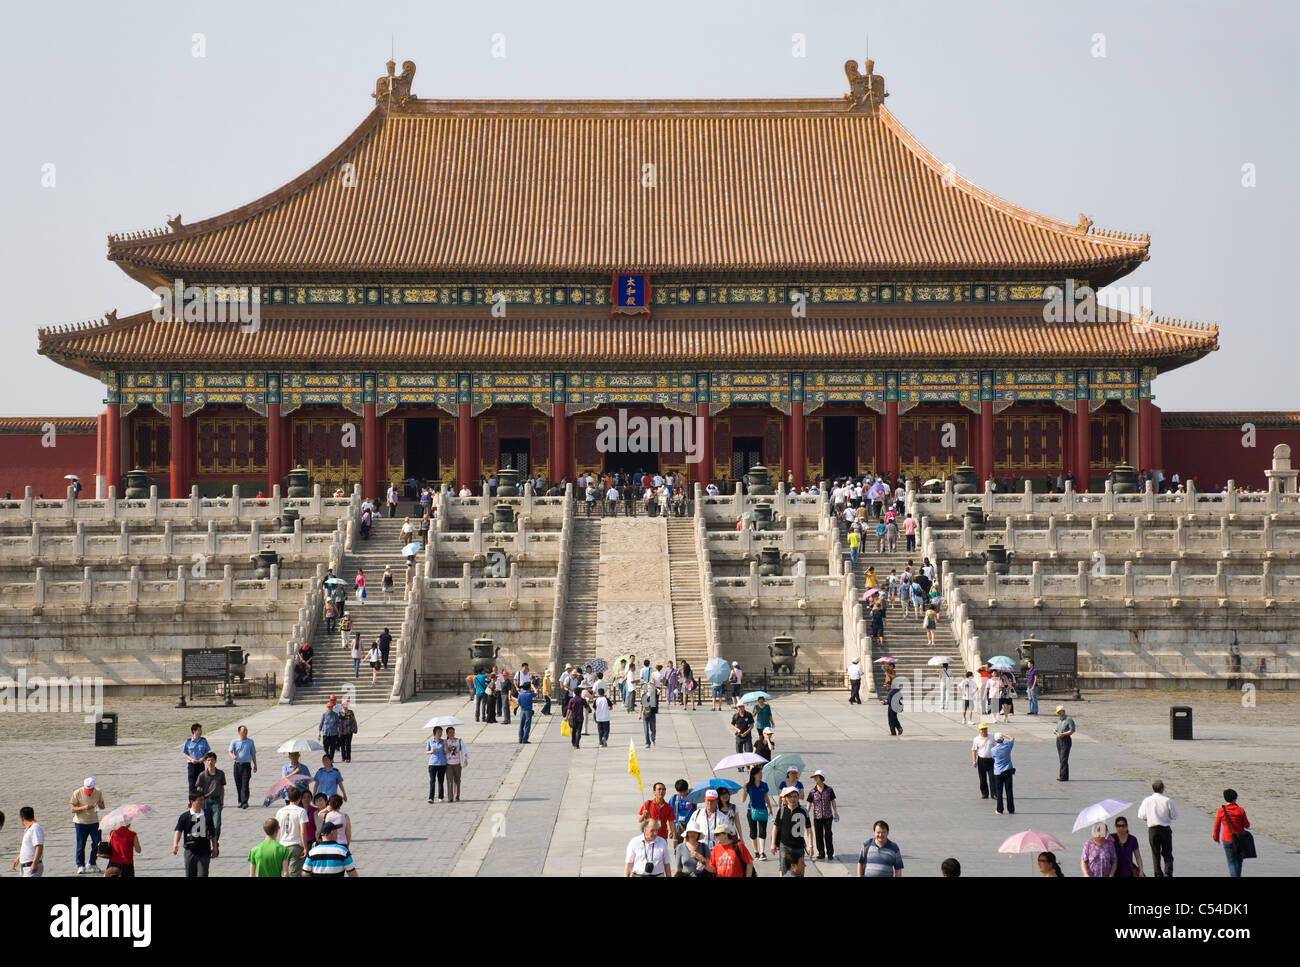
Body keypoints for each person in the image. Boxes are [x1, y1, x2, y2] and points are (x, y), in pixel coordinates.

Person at [1137, 779, 1177, 877]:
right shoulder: (1167, 800)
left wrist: (1148, 818)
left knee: (1155, 854)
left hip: (1153, 829)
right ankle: (1168, 873)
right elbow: (1174, 816)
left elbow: (1141, 815)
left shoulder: (1147, 800)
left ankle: (1158, 874)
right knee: (1167, 853)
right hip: (1165, 829)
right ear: (1162, 789)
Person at [172, 792, 216, 877]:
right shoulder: (185, 816)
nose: (202, 802)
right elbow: (178, 830)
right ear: (192, 801)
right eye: (199, 800)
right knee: (190, 874)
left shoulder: (207, 814)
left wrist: (214, 847)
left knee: (203, 874)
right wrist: (175, 844)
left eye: (203, 800)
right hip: (190, 851)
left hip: (204, 851)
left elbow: (212, 831)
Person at [770, 785, 811, 875]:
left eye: (795, 796)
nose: (792, 799)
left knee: (800, 871)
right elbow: (775, 827)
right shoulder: (782, 810)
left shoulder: (803, 811)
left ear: (798, 797)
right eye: (790, 797)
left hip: (799, 847)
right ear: (786, 798)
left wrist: (810, 845)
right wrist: (773, 844)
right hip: (785, 846)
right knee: (784, 870)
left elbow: (808, 828)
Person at [193, 752, 227, 857]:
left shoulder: (220, 773)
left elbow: (222, 788)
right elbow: (198, 789)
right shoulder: (202, 775)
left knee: (217, 825)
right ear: (205, 762)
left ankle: (215, 843)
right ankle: (206, 846)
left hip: (216, 801)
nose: (210, 762)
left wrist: (222, 801)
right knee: (204, 825)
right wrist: (197, 803)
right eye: (208, 760)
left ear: (215, 761)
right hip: (205, 802)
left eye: (212, 760)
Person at [70, 776, 106, 874]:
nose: (89, 792)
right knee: (81, 845)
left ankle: (92, 862)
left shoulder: (98, 792)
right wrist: (84, 807)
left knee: (97, 843)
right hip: (80, 822)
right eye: (87, 789)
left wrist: (99, 804)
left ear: (94, 788)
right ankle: (80, 865)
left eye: (90, 790)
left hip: (94, 822)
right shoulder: (77, 792)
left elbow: (103, 806)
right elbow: (72, 809)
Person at [1213, 788, 1251, 878]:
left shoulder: (1221, 810)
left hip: (1227, 839)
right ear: (1235, 798)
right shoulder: (1240, 810)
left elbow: (1217, 826)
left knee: (1231, 862)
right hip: (1240, 838)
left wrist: (1216, 838)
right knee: (1239, 862)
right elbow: (1247, 825)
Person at [275, 787, 309, 877]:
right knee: (294, 873)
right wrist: (305, 847)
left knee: (284, 873)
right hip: (295, 846)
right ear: (300, 798)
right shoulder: (301, 811)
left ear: (288, 797)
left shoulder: (280, 811)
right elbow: (303, 831)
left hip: (282, 845)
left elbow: (276, 829)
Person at [807, 770, 840, 861]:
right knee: (818, 835)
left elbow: (833, 801)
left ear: (821, 778)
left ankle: (830, 853)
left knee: (828, 834)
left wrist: (836, 812)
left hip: (828, 816)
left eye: (816, 777)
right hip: (817, 817)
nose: (815, 779)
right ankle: (821, 853)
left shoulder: (829, 790)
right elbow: (809, 803)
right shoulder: (812, 791)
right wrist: (806, 813)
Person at [743, 766, 772, 861]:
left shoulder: (764, 785)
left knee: (763, 831)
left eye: (761, 773)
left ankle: (762, 852)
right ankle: (756, 851)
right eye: (759, 773)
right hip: (751, 810)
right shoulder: (748, 786)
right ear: (753, 775)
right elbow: (742, 800)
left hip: (763, 810)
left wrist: (770, 808)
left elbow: (766, 797)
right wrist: (744, 790)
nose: (760, 775)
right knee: (753, 831)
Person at [227, 725, 258, 809]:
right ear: (239, 732)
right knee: (238, 784)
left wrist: (255, 765)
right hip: (237, 765)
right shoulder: (234, 741)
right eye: (243, 730)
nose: (245, 732)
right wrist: (232, 756)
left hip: (246, 766)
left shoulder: (250, 742)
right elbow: (229, 751)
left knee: (245, 784)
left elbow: (253, 754)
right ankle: (240, 801)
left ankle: (245, 801)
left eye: (246, 730)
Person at [11, 806, 44, 877]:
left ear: (22, 818)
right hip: (26, 866)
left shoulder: (35, 828)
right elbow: (28, 847)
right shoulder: (29, 829)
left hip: (31, 866)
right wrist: (19, 858)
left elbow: (39, 846)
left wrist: (34, 863)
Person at [183, 723, 210, 799]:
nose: (201, 731)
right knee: (192, 783)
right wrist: (191, 759)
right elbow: (185, 753)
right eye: (199, 730)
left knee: (201, 783)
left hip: (200, 764)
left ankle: (201, 799)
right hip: (192, 765)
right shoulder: (188, 742)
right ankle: (192, 800)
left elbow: (207, 751)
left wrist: (203, 758)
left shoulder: (203, 741)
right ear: (194, 731)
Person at [990, 732, 1015, 815]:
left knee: (999, 792)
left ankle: (1000, 809)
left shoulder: (993, 749)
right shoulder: (1007, 746)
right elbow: (1012, 738)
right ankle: (1011, 809)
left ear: (995, 741)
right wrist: (1004, 734)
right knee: (1009, 791)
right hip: (1007, 771)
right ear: (1002, 739)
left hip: (998, 772)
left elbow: (993, 758)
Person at [971, 723, 995, 800]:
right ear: (979, 730)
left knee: (992, 778)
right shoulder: (976, 739)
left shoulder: (992, 737)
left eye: (985, 729)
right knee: (982, 778)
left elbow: (997, 748)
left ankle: (994, 794)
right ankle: (984, 793)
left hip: (991, 760)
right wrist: (974, 761)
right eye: (982, 729)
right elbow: (974, 750)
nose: (983, 731)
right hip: (981, 760)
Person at [444, 727, 468, 801]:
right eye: (450, 732)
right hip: (449, 764)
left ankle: (457, 795)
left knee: (457, 780)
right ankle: (450, 797)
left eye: (453, 732)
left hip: (457, 763)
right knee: (449, 780)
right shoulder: (446, 742)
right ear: (447, 733)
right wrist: (445, 743)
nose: (451, 734)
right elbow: (446, 752)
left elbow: (464, 750)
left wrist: (465, 759)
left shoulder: (459, 741)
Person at [1053, 706, 1076, 781]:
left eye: (1060, 712)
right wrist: (1055, 731)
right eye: (1058, 713)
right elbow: (1058, 729)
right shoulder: (1059, 720)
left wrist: (1064, 734)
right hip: (1059, 739)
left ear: (1063, 711)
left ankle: (1062, 776)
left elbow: (1072, 730)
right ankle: (1064, 776)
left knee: (1064, 759)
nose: (1059, 714)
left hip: (1066, 739)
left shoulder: (1069, 719)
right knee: (1061, 758)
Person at [425, 726, 447, 802]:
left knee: (441, 781)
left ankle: (440, 797)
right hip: (432, 764)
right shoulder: (430, 741)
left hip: (442, 763)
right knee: (432, 781)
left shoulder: (443, 741)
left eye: (441, 732)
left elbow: (446, 752)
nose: (440, 733)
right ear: (434, 733)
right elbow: (427, 751)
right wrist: (431, 751)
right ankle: (431, 797)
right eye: (438, 732)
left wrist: (445, 744)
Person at [641, 677, 659, 747]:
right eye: (648, 686)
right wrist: (640, 714)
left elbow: (659, 692)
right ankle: (647, 742)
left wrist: (655, 688)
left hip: (652, 714)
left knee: (653, 729)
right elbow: (641, 705)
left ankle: (653, 738)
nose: (649, 688)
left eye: (651, 686)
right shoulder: (644, 695)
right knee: (646, 729)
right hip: (645, 714)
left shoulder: (655, 695)